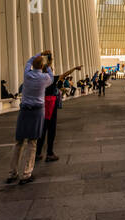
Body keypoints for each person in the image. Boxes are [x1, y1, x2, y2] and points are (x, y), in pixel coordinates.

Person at [7, 51, 55, 184]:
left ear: (33, 66)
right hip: (37, 111)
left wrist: (40, 54)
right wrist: (49, 62)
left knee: (19, 142)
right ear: (42, 66)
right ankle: (26, 174)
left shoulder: (27, 75)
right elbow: (51, 75)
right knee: (32, 143)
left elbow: (29, 61)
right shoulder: (45, 79)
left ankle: (12, 173)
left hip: (24, 111)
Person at [36, 64, 79, 164]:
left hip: (42, 106)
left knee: (42, 130)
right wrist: (74, 68)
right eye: (52, 69)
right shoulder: (51, 79)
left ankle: (38, 153)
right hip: (51, 105)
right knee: (51, 130)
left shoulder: (39, 79)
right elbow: (65, 74)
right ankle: (49, 153)